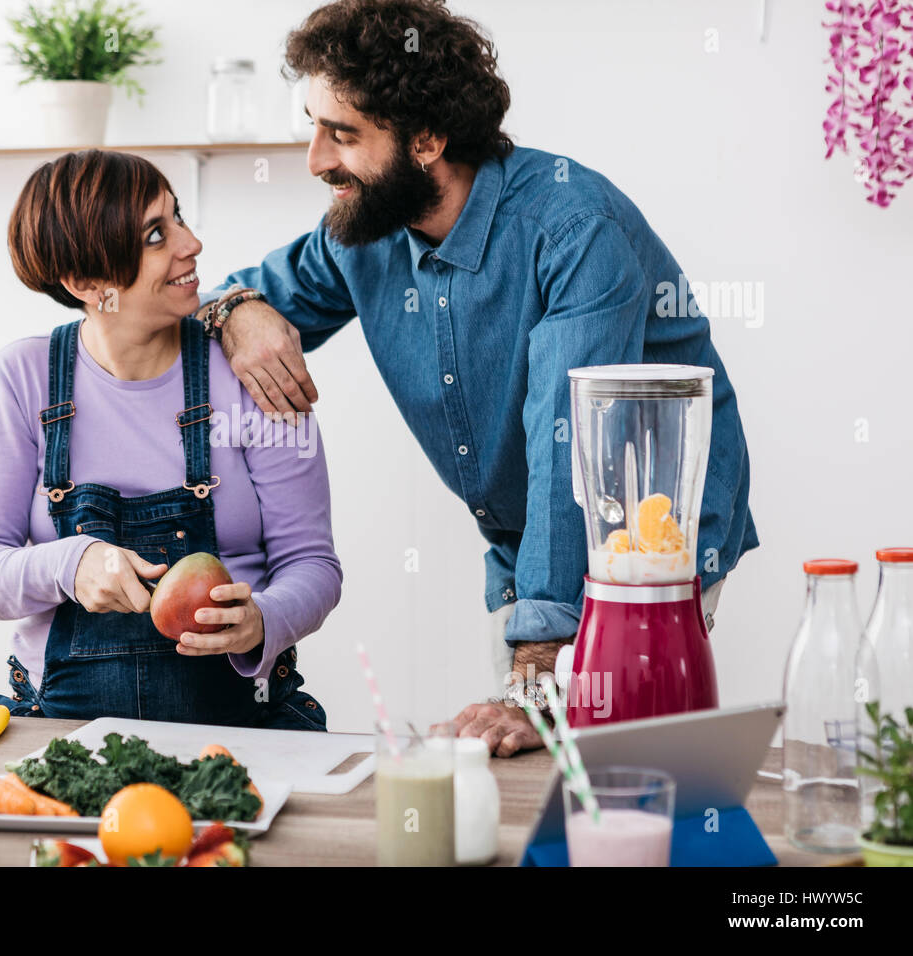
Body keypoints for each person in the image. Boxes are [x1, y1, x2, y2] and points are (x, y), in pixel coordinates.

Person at [199, 0, 758, 753]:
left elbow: (571, 443)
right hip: (529, 537)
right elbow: (221, 296)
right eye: (313, 125)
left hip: (647, 531)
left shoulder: (571, 227)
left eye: (343, 133)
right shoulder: (368, 231)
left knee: (619, 757)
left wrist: (535, 675)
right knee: (527, 758)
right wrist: (238, 308)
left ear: (427, 140)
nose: (316, 161)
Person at [0, 150, 341, 730]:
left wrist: (263, 617)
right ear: (89, 283)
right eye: (156, 235)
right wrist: (71, 564)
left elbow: (312, 564)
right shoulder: (24, 377)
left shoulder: (252, 369)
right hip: (58, 725)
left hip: (241, 728)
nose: (191, 244)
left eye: (178, 216)